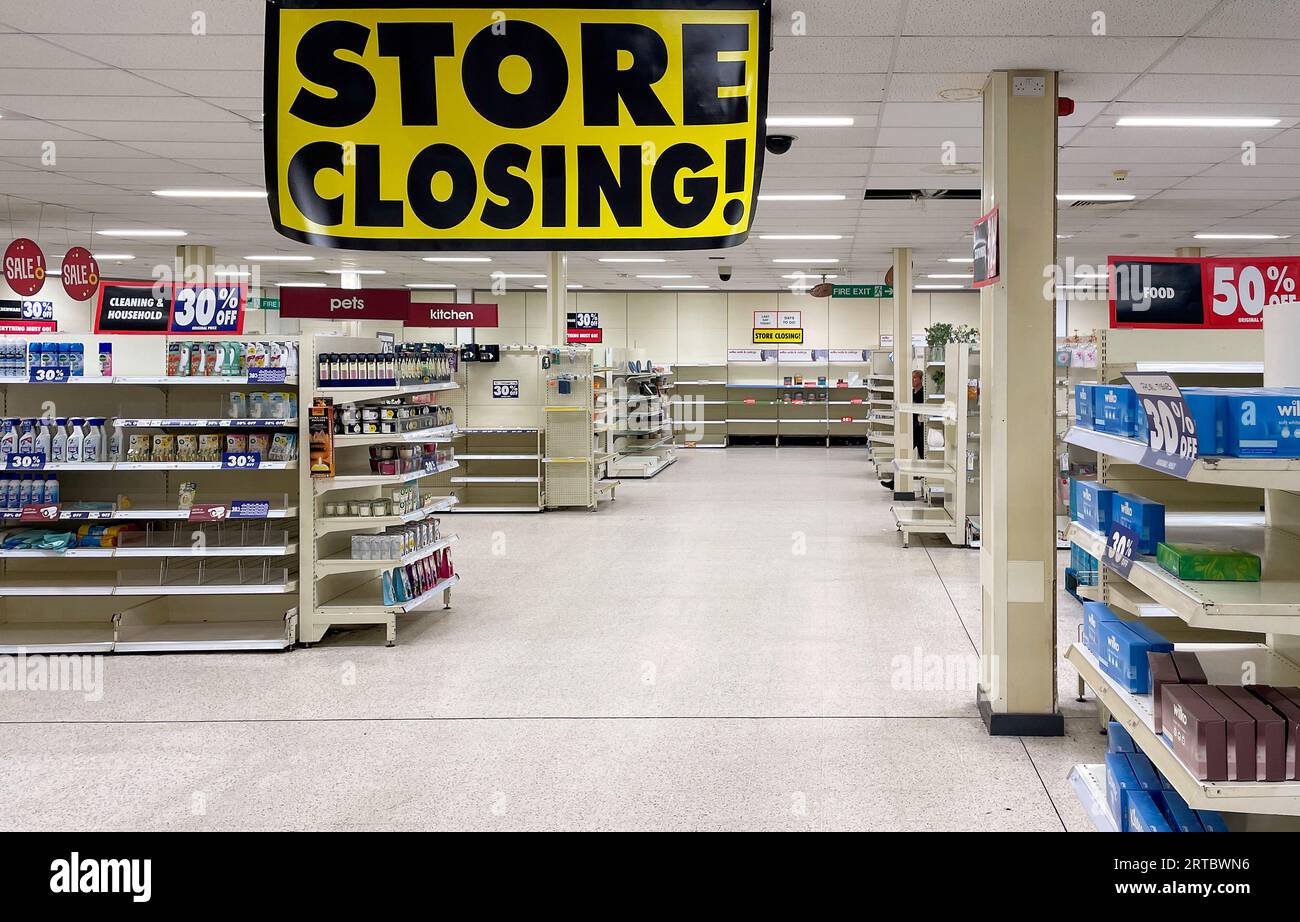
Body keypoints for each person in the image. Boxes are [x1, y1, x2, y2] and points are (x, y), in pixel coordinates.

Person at [881, 369, 927, 490]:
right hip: (912, 429)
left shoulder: (923, 394)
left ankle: (897, 482)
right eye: (911, 378)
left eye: (915, 378)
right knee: (918, 456)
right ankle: (896, 482)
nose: (913, 380)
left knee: (920, 456)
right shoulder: (912, 394)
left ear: (921, 379)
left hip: (920, 431)